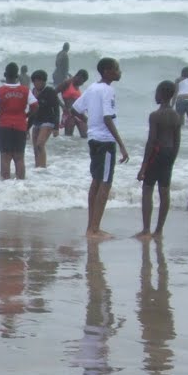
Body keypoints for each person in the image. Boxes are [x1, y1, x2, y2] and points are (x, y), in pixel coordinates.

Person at [74, 57, 129, 239]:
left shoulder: (91, 88)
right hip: (105, 141)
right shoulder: (108, 90)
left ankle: (91, 226)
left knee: (96, 182)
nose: (119, 72)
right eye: (116, 69)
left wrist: (90, 123)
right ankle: (94, 229)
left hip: (93, 139)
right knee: (105, 184)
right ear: (107, 71)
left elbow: (74, 109)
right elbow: (108, 117)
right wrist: (121, 144)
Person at [136, 80, 182, 239]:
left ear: (161, 94)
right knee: (164, 191)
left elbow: (151, 141)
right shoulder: (176, 116)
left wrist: (143, 166)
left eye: (156, 92)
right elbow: (177, 142)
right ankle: (159, 230)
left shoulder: (155, 116)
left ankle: (146, 229)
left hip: (156, 154)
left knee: (147, 190)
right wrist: (172, 161)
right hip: (169, 154)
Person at [0, 63, 31, 180]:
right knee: (19, 157)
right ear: (17, 76)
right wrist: (25, 115)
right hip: (20, 126)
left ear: (5, 75)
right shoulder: (25, 90)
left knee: (5, 157)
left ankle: (5, 185)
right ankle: (21, 185)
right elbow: (35, 106)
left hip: (4, 126)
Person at [28, 68, 60, 168]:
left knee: (40, 144)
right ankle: (37, 168)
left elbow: (56, 109)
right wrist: (26, 128)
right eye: (35, 81)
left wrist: (56, 127)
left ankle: (43, 167)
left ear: (44, 81)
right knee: (35, 148)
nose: (38, 83)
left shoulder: (50, 91)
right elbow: (31, 111)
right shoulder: (32, 92)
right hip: (36, 121)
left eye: (40, 81)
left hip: (48, 121)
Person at [60, 69, 87, 136]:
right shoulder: (67, 83)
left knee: (85, 135)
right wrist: (63, 106)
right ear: (78, 77)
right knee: (68, 137)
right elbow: (53, 93)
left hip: (79, 113)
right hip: (69, 113)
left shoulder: (76, 84)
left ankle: (80, 147)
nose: (82, 83)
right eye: (82, 81)